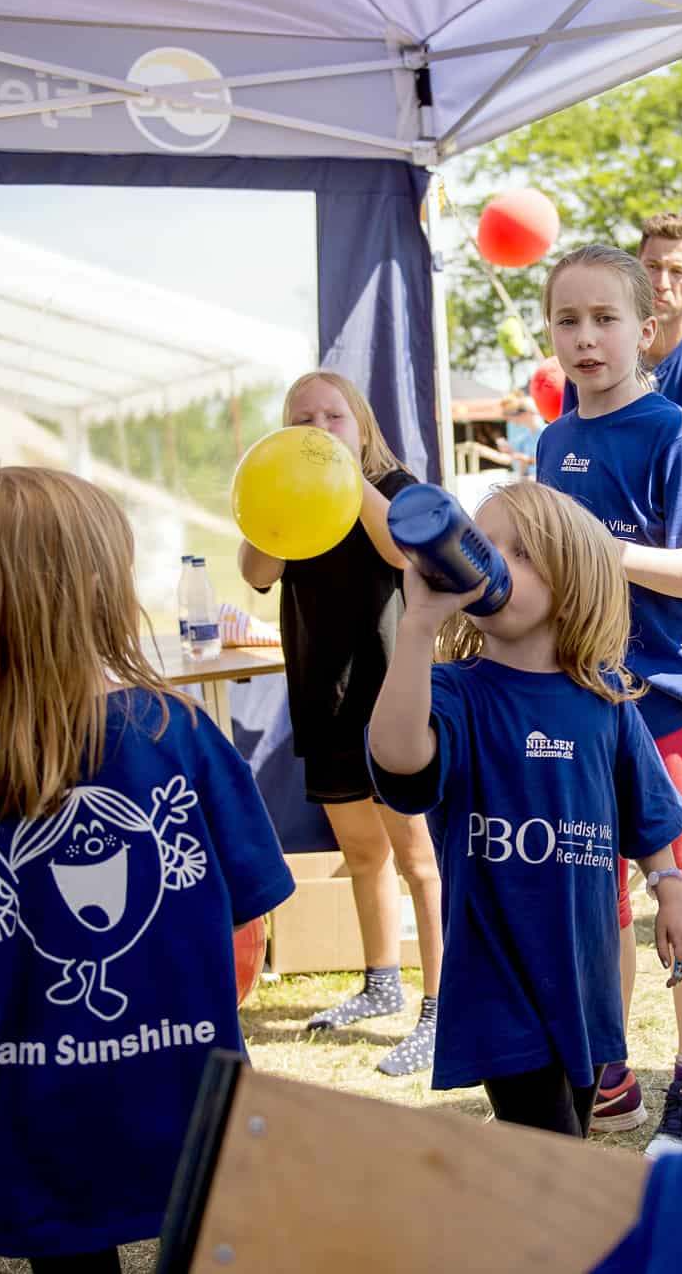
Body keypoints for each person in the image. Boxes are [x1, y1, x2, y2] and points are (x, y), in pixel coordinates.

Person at [0, 467, 294, 1272]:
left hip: (45, 1120)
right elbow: (253, 901)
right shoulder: (176, 732)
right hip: (191, 1097)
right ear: (99, 589)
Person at [366, 480, 682, 1137]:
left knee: (564, 1136)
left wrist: (670, 892)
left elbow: (647, 812)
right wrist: (416, 628)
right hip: (498, 980)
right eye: (481, 544)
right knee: (551, 1143)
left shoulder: (604, 701)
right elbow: (399, 756)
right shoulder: (456, 692)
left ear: (571, 583)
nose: (489, 562)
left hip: (585, 978)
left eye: (519, 553)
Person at [534, 245, 682, 1156]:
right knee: (594, 891)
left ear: (644, 330)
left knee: (680, 892)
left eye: (605, 320)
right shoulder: (553, 440)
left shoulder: (673, 433)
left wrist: (605, 552)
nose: (587, 339)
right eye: (568, 321)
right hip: (583, 699)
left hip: (670, 705)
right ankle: (609, 1074)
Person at [237, 372, 444, 1077]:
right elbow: (256, 568)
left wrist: (348, 480)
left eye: (334, 415)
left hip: (392, 698)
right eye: (305, 418)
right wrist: (275, 496)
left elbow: (401, 553)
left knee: (421, 860)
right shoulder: (286, 491)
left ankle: (440, 1011)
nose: (320, 427)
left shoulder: (395, 484)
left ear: (362, 425)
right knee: (362, 853)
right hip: (324, 694)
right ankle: (380, 982)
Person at [562, 213, 682, 547]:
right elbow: (572, 458)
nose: (662, 282)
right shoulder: (592, 359)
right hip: (601, 549)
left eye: (678, 271)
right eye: (652, 266)